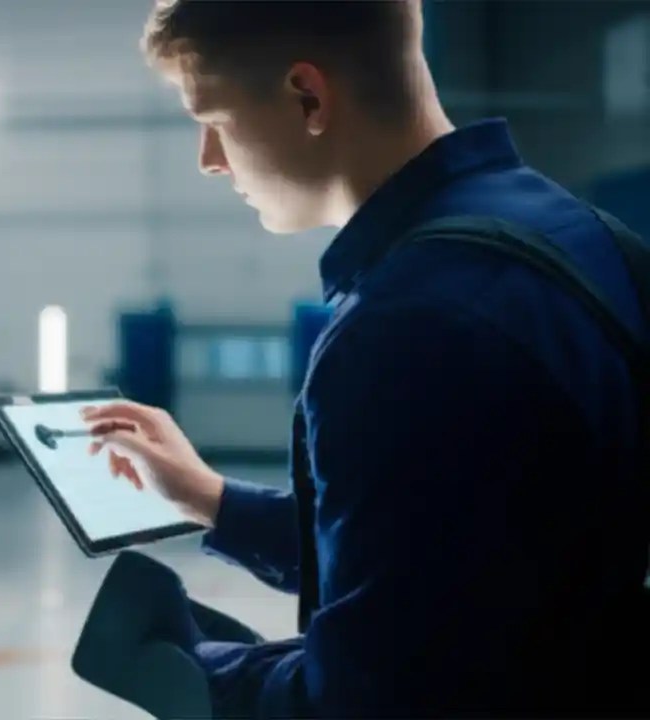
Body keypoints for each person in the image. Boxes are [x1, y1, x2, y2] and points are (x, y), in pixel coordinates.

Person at [83, 1, 648, 717]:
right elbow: (452, 556)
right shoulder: (582, 237)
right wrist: (209, 498)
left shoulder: (407, 329)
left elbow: (371, 698)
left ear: (307, 97)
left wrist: (187, 661)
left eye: (215, 119)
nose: (209, 160)